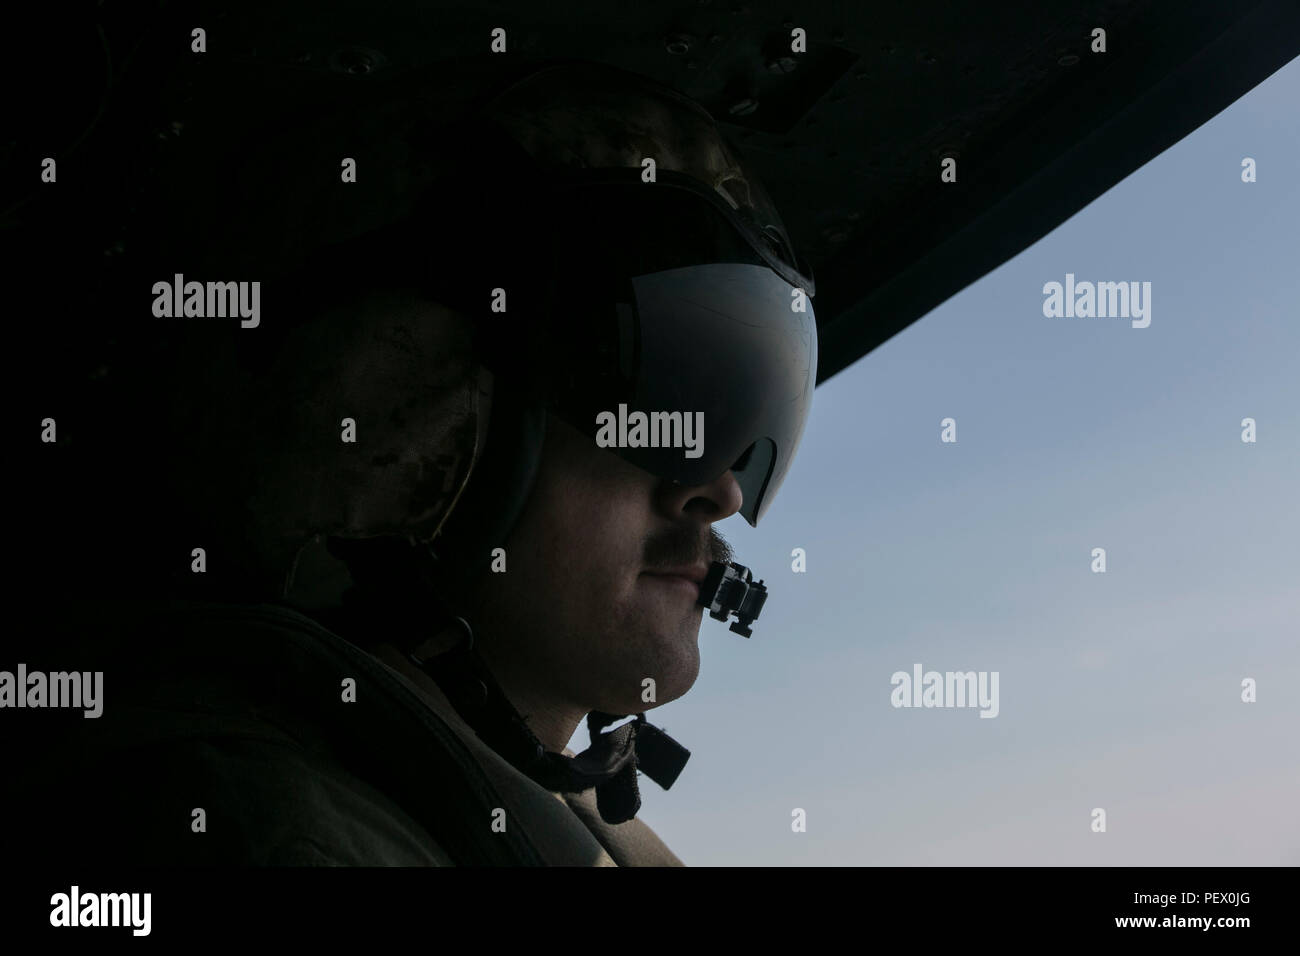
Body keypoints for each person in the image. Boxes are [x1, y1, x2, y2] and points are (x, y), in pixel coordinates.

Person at [2, 59, 817, 865]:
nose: (719, 489)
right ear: (417, 415)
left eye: (742, 431)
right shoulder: (269, 832)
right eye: (659, 406)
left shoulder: (516, 818)